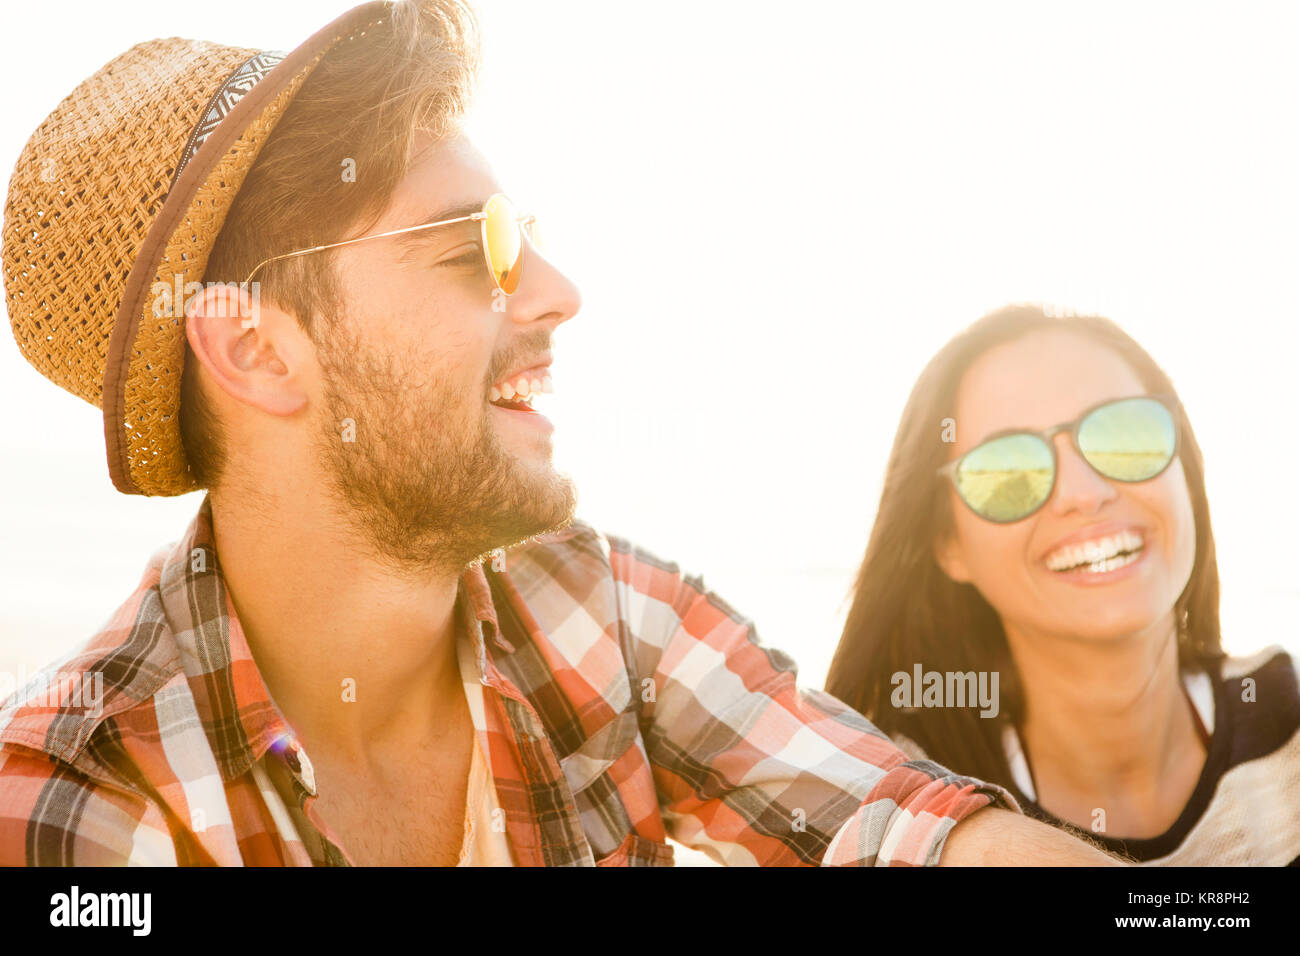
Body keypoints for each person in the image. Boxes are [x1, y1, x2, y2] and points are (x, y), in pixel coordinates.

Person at [0, 1, 1117, 866]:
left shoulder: (599, 614)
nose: (558, 291)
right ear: (255, 349)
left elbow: (905, 828)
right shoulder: (73, 798)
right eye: (468, 249)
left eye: (523, 236)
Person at [825, 304, 1300, 865]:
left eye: (1126, 434)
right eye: (1007, 471)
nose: (1084, 491)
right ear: (947, 545)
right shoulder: (898, 802)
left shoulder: (1285, 724)